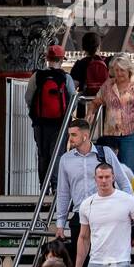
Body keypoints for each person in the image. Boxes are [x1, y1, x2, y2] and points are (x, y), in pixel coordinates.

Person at [54, 118, 132, 267]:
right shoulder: (66, 160)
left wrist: (128, 209)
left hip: (106, 213)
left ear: (85, 135)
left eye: (74, 135)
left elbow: (124, 182)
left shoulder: (105, 153)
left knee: (106, 261)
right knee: (81, 262)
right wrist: (60, 223)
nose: (71, 139)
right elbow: (63, 193)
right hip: (79, 214)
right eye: (70, 135)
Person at [89, 55, 134, 177]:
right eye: (116, 70)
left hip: (133, 133)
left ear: (128, 70)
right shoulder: (107, 85)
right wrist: (90, 115)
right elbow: (95, 102)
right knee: (109, 169)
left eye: (122, 70)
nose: (119, 73)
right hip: (110, 134)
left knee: (128, 169)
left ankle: (127, 195)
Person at [28, 44, 77, 183]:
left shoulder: (37, 76)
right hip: (60, 124)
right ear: (61, 60)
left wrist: (37, 113)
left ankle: (43, 185)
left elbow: (29, 98)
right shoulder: (66, 78)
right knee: (57, 154)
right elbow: (73, 99)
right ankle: (56, 185)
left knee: (43, 154)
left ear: (47, 59)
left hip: (40, 124)